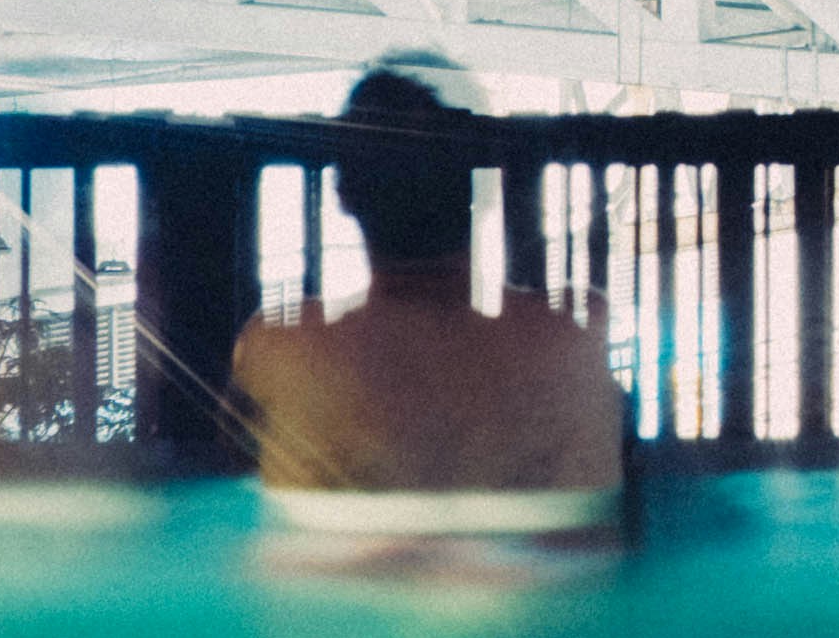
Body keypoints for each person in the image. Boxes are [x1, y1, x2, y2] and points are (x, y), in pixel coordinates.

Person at [226, 66, 630, 538]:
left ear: (344, 195)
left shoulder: (281, 349)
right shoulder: (572, 337)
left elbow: (233, 470)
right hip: (544, 602)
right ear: (475, 192)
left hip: (333, 597)